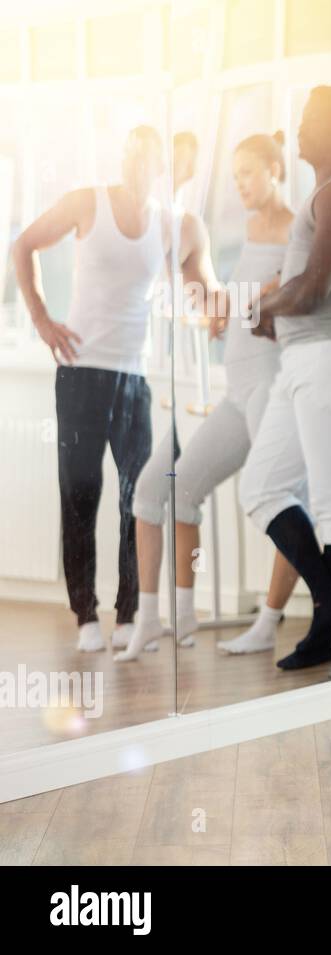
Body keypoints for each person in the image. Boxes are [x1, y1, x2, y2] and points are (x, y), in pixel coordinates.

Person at [119, 132, 301, 661]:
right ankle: (172, 616)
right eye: (236, 174)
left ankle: (269, 619)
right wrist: (218, 303)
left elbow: (292, 293)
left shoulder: (297, 230)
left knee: (278, 500)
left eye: (249, 172)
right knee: (174, 489)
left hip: (271, 384)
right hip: (237, 389)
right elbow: (238, 296)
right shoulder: (250, 229)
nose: (241, 183)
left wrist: (243, 300)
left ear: (275, 168)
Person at [12, 126, 169, 652]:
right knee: (80, 494)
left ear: (160, 165)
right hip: (81, 373)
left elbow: (198, 280)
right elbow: (24, 244)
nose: (133, 165)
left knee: (137, 497)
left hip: (134, 379)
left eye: (145, 157)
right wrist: (40, 318)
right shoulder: (87, 203)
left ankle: (129, 613)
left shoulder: (165, 225)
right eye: (128, 154)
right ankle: (85, 616)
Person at [239, 86, 331, 672]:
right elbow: (305, 283)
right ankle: (330, 602)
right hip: (306, 362)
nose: (298, 128)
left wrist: (264, 308)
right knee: (263, 487)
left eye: (311, 121)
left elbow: (316, 289)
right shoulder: (324, 193)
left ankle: (324, 627)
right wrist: (274, 307)